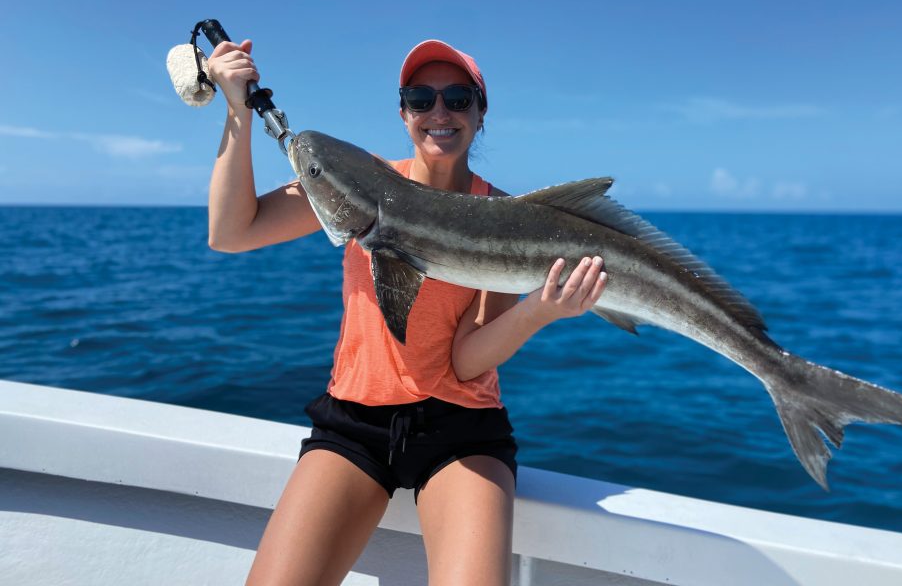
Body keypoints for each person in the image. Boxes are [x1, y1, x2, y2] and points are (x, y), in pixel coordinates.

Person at [206, 37, 607, 586]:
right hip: (354, 423)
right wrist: (237, 111)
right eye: (421, 98)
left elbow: (466, 363)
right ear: (403, 114)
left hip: (462, 428)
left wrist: (541, 310)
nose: (438, 113)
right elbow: (232, 232)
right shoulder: (355, 179)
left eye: (458, 98)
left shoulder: (503, 216)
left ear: (481, 113)